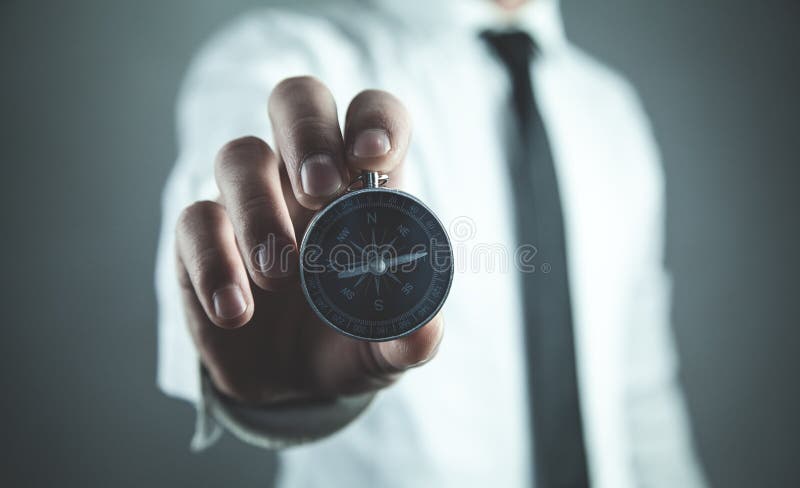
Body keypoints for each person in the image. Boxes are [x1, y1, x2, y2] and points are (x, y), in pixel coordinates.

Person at [155, 0, 708, 486]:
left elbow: (639, 397)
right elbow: (222, 185)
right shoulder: (284, 53)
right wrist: (243, 278)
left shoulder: (613, 112)